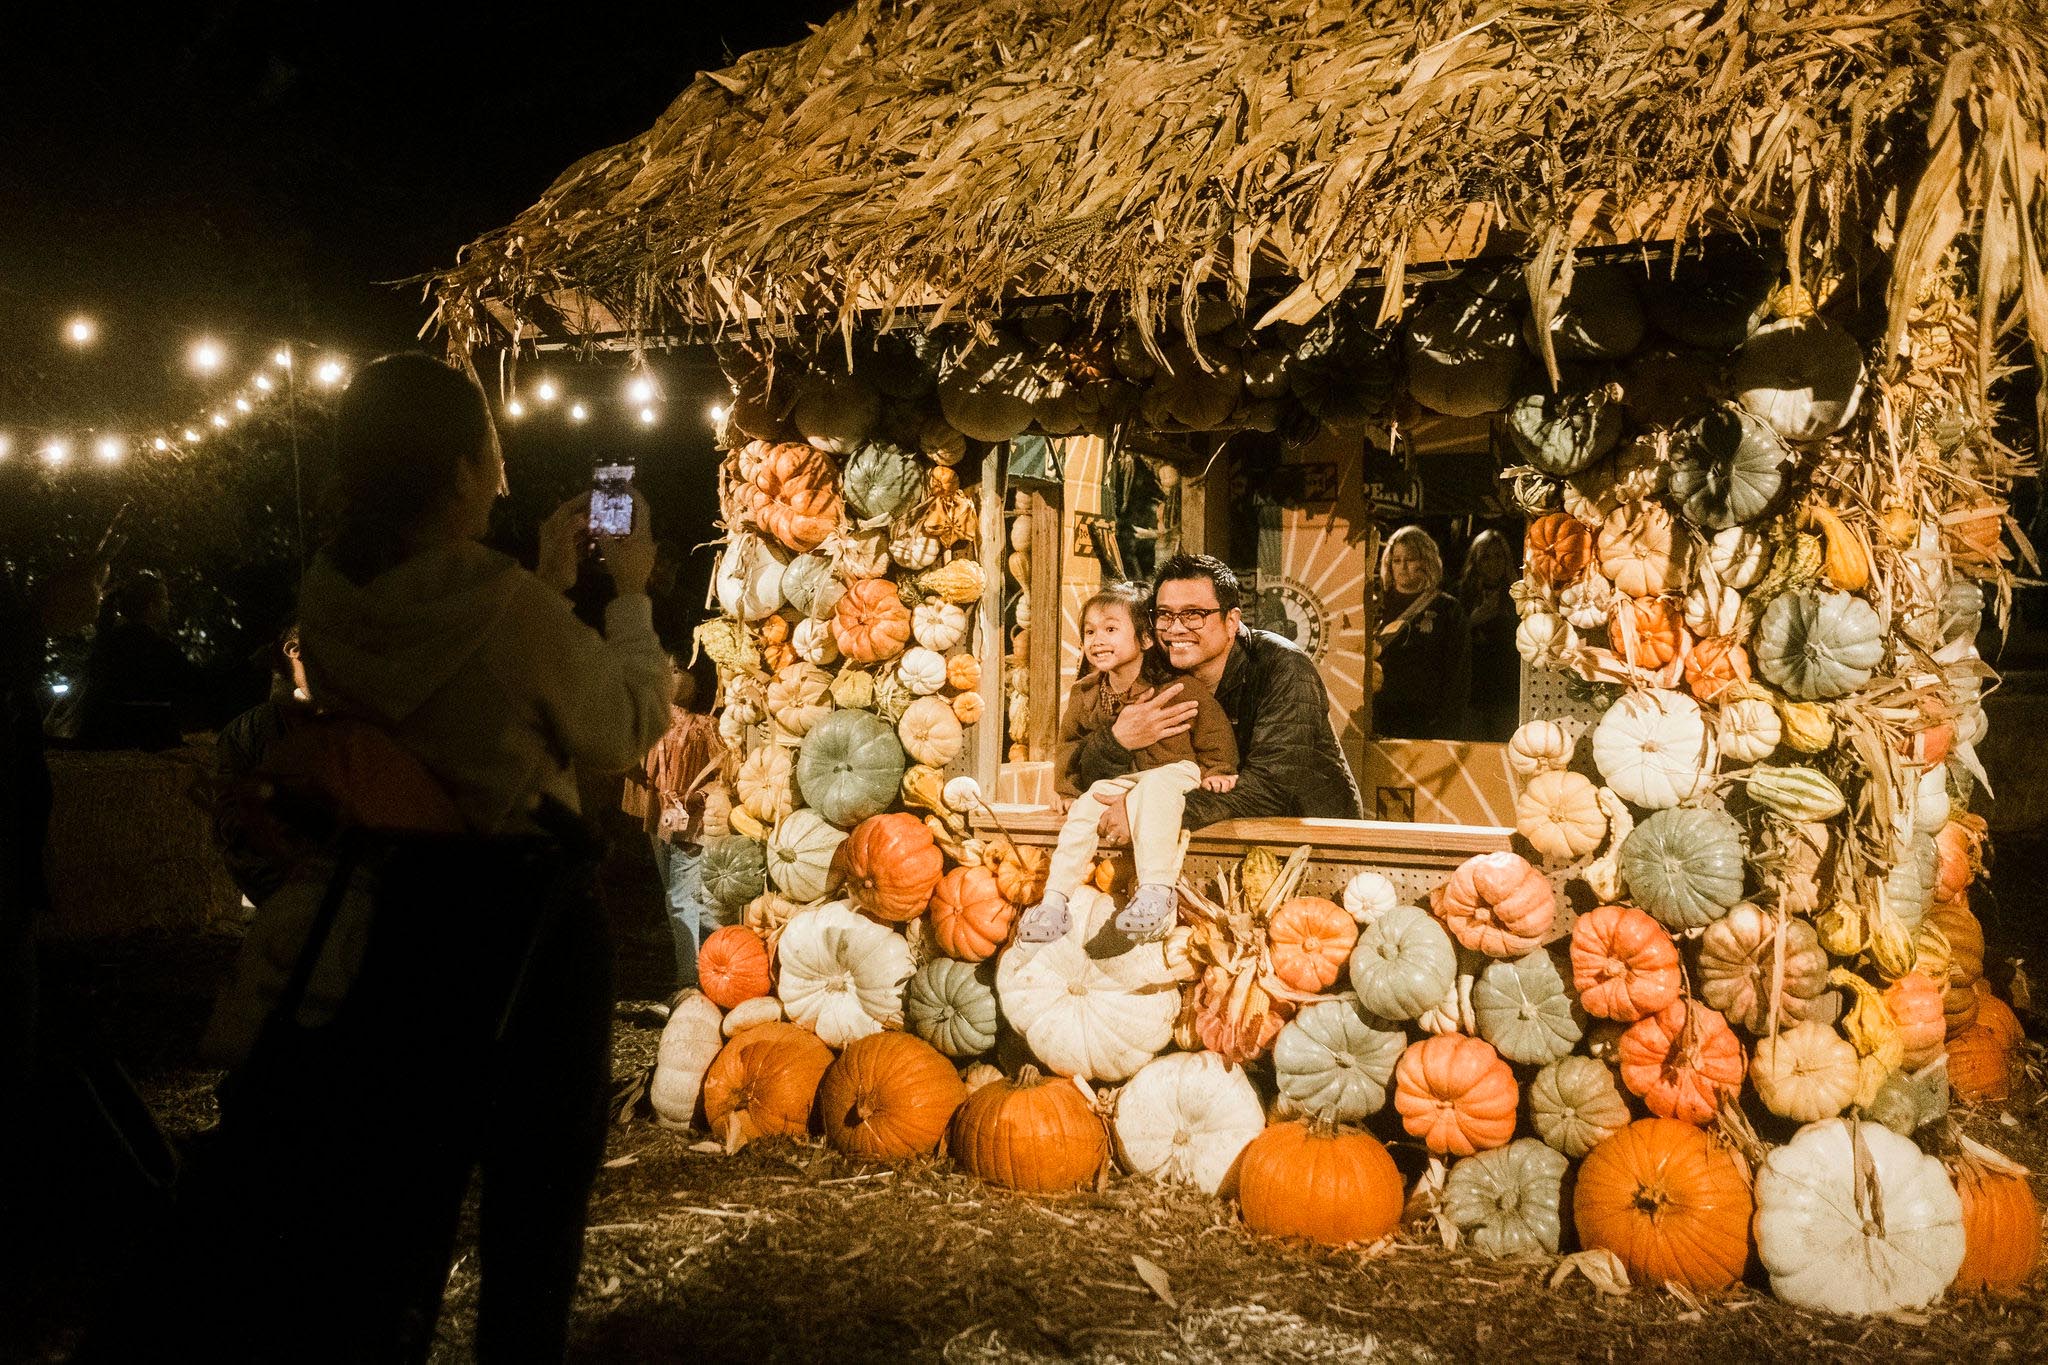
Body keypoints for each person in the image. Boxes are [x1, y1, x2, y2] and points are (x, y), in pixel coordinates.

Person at [110, 352, 670, 1363]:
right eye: (492, 455)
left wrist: (533, 585)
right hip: (524, 922)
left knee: (401, 1193)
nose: (501, 475)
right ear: (459, 472)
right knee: (532, 1202)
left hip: (394, 918)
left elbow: (443, 666)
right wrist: (626, 599)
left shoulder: (328, 595)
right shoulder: (508, 613)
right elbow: (621, 728)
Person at [1067, 554, 1362, 841]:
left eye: (1193, 615)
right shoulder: (1152, 666)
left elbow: (1268, 789)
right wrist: (1116, 741)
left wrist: (1145, 810)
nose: (1176, 628)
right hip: (1203, 843)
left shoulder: (1282, 666)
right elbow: (1085, 778)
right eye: (1165, 615)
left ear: (1231, 620)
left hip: (1314, 841)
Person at [1017, 583, 1237, 944]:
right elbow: (1070, 743)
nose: (1097, 640)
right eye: (1089, 631)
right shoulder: (1087, 692)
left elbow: (1213, 729)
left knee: (1155, 787)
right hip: (1128, 781)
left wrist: (1219, 770)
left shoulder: (1177, 687)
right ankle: (1055, 902)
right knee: (1088, 806)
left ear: (1146, 640)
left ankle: (1156, 890)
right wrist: (1068, 789)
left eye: (1110, 629)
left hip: (1174, 772)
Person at [621, 655, 723, 988]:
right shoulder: (655, 716)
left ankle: (692, 981)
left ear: (696, 680)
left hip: (690, 822)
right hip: (660, 818)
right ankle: (700, 976)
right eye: (663, 668)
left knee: (683, 899)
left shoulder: (705, 725)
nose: (667, 675)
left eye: (676, 670)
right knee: (678, 896)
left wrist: (697, 797)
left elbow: (722, 774)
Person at [211, 625, 317, 908]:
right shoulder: (250, 732)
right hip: (285, 894)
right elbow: (233, 826)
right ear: (294, 650)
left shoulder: (367, 724)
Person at [74, 570, 200, 749]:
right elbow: (195, 685)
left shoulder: (106, 643)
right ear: (150, 607)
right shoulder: (159, 649)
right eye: (165, 600)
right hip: (147, 738)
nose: (169, 605)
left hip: (104, 736)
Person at [1372, 526, 1471, 740]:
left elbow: (1458, 673)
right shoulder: (1375, 604)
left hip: (1427, 723)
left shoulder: (1448, 608)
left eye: (1410, 559)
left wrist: (1448, 727)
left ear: (1426, 561)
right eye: (1396, 560)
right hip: (1379, 718)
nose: (1403, 567)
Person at [1459, 529, 1520, 741]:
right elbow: (1452, 643)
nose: (1493, 563)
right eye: (1486, 557)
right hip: (1472, 692)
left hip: (1507, 692)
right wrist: (1474, 620)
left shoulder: (1518, 594)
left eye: (1498, 556)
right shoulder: (1463, 593)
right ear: (1475, 561)